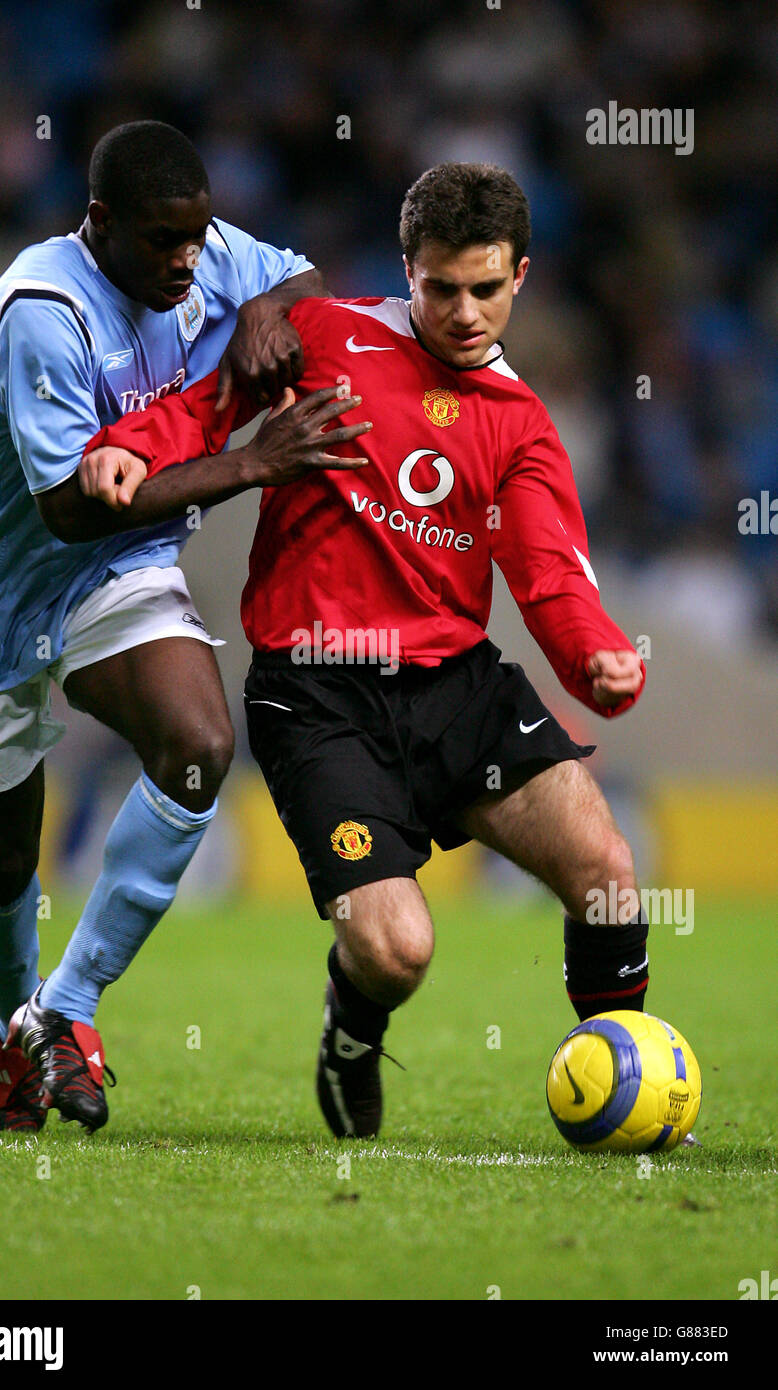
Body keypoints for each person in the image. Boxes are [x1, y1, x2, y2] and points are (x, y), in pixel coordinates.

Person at [75, 161, 648, 1140]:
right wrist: (133, 444)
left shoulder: (521, 423)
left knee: (605, 874)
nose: (463, 313)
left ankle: (623, 1077)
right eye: (440, 287)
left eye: (485, 288)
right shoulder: (323, 336)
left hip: (456, 686)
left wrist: (597, 659)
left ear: (520, 275)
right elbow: (206, 404)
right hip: (316, 697)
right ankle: (350, 1032)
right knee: (396, 952)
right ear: (406, 269)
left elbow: (550, 572)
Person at [0, 120, 368, 1134]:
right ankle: (15, 1038)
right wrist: (253, 462)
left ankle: (63, 1010)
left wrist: (267, 307)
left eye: (198, 238)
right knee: (4, 864)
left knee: (198, 744)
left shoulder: (202, 252)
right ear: (100, 222)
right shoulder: (42, 308)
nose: (186, 261)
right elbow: (69, 508)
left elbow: (302, 279)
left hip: (110, 572)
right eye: (163, 241)